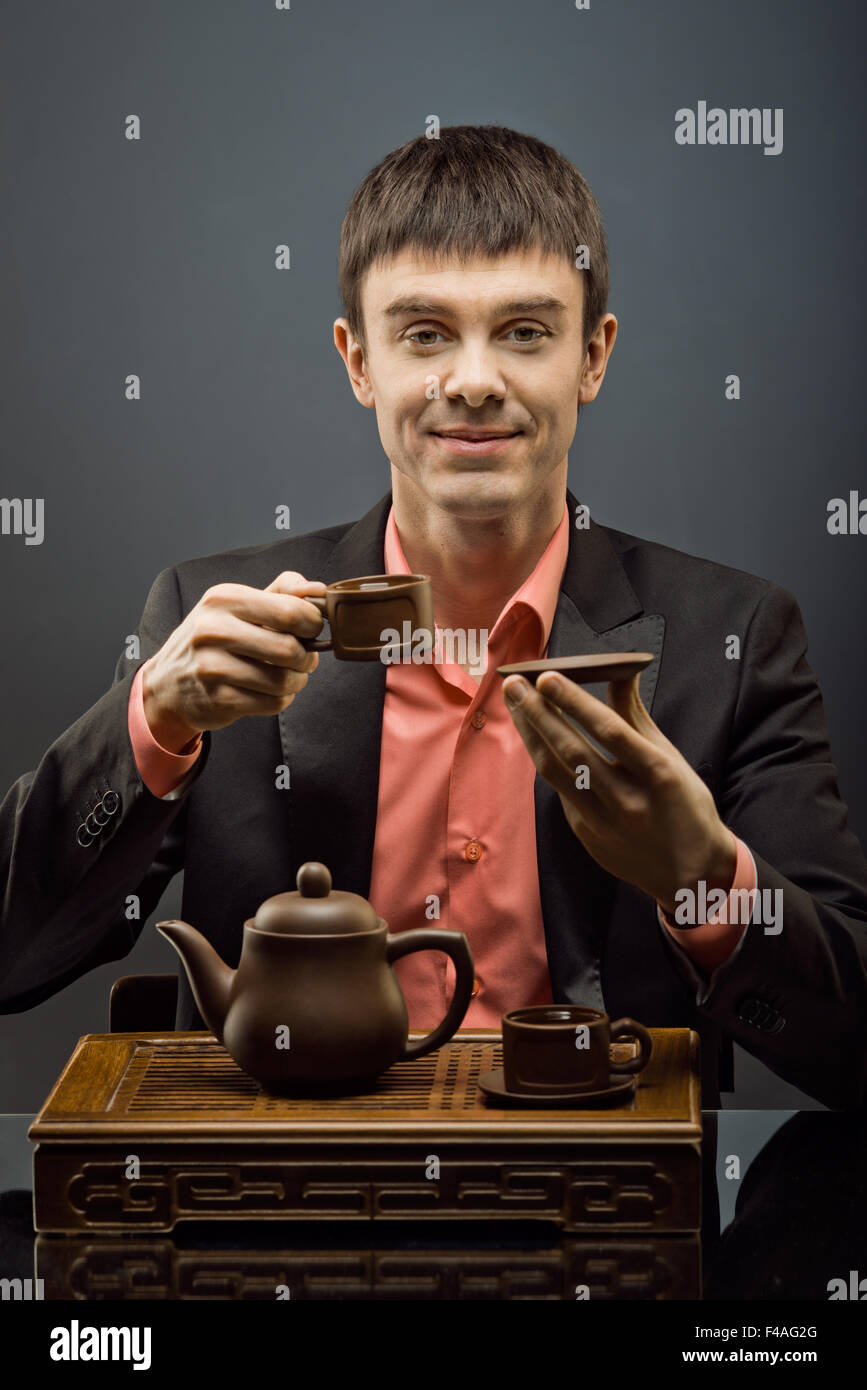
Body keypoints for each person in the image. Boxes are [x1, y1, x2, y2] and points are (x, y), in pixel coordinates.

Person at [2, 125, 866, 1109]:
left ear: (594, 356)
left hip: (610, 1223)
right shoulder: (202, 622)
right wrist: (152, 720)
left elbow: (851, 1044)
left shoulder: (738, 639)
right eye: (423, 333)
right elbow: (10, 958)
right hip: (285, 1220)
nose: (473, 380)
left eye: (526, 332)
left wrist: (705, 878)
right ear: (358, 361)